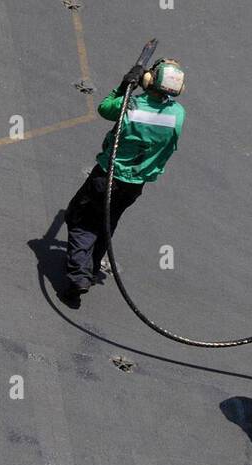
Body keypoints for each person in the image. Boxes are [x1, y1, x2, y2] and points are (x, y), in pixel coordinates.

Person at [61, 57, 186, 307]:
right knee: (107, 222)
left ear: (149, 80)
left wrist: (124, 85)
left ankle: (78, 276)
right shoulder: (178, 115)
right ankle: (92, 266)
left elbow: (105, 108)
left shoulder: (131, 105)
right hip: (134, 185)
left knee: (80, 220)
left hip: (107, 176)